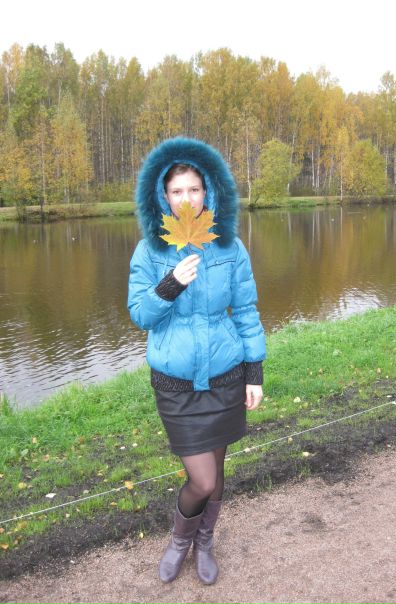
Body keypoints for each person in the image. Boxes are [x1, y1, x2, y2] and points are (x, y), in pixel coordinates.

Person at [127, 137, 266, 585]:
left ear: (208, 192)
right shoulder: (150, 251)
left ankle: (204, 542)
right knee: (201, 481)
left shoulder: (230, 247)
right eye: (176, 191)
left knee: (217, 474)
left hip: (225, 378)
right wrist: (169, 285)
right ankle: (179, 541)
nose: (186, 199)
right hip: (176, 384)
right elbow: (140, 315)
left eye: (194, 189)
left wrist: (254, 373)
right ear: (163, 197)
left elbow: (246, 311)